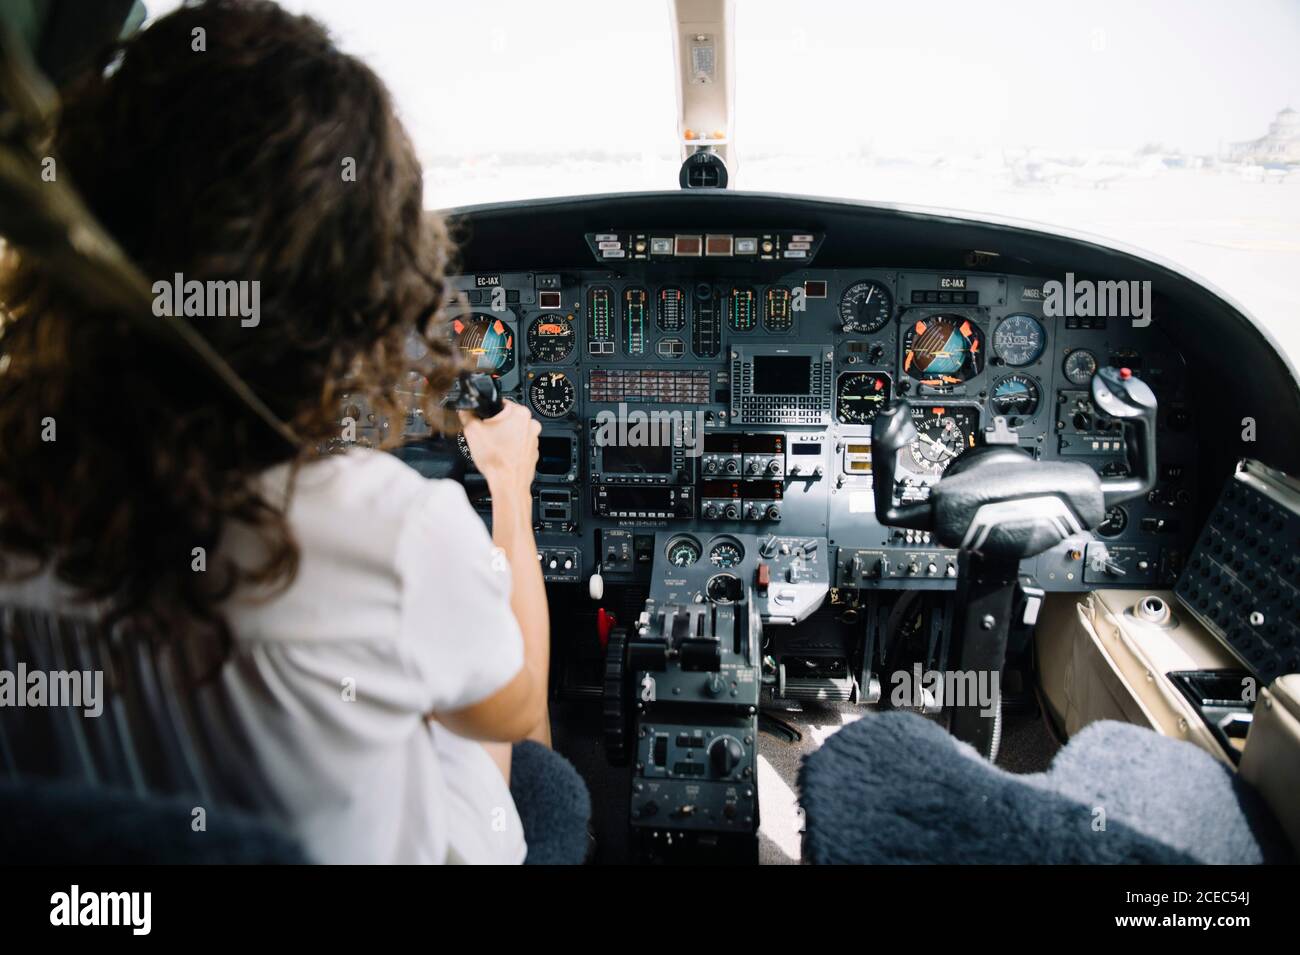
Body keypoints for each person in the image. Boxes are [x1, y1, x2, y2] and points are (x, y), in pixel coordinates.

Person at [0, 0, 548, 863]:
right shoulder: (392, 530)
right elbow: (509, 707)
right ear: (361, 280)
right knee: (539, 767)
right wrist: (510, 492)